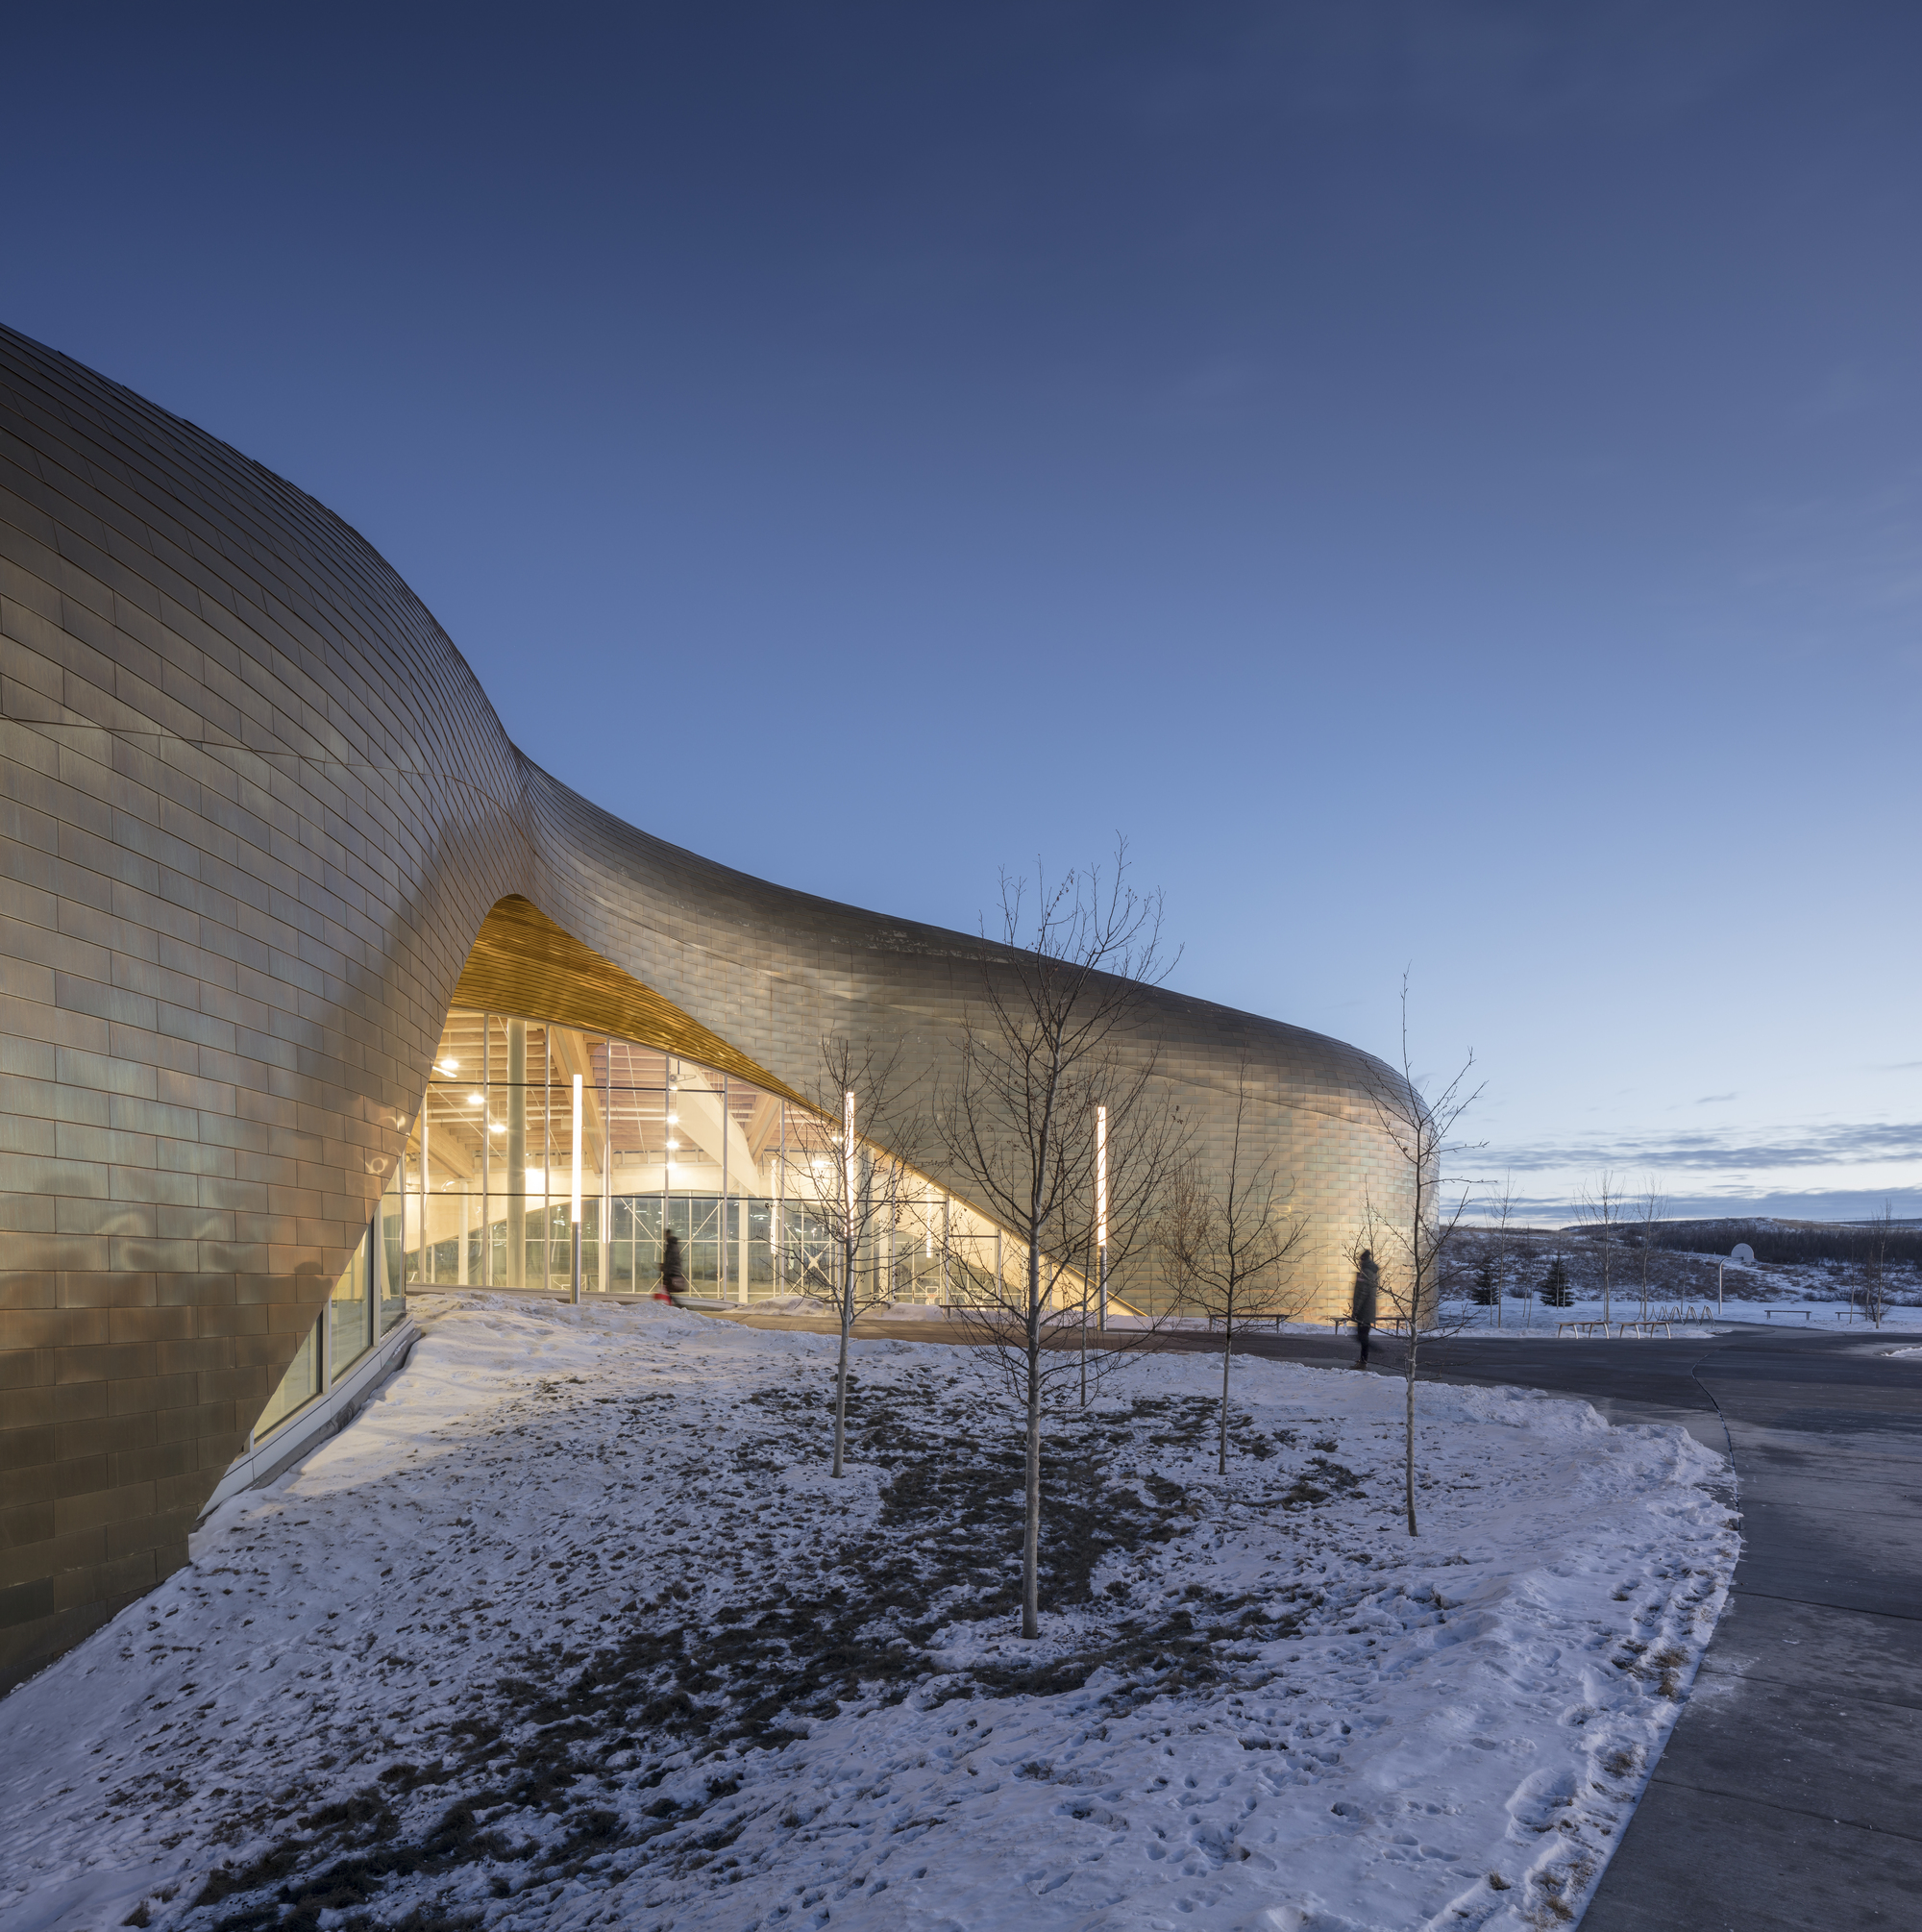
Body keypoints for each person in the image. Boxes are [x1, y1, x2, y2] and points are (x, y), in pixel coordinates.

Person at [1351, 1249, 1379, 1367]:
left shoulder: (1365, 1273)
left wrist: (1355, 1311)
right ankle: (1363, 1360)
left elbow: (1361, 1293)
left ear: (1363, 1259)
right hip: (1369, 1310)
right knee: (1362, 1335)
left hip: (1363, 1312)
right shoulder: (1372, 1273)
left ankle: (1364, 1360)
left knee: (1361, 1336)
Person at [657, 1229, 686, 1302]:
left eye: (665, 1234)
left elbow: (670, 1261)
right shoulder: (673, 1245)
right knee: (668, 1293)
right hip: (672, 1272)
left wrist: (664, 1268)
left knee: (668, 1292)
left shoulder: (671, 1247)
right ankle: (672, 1306)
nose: (664, 1236)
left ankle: (677, 1308)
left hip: (671, 1273)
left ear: (667, 1234)